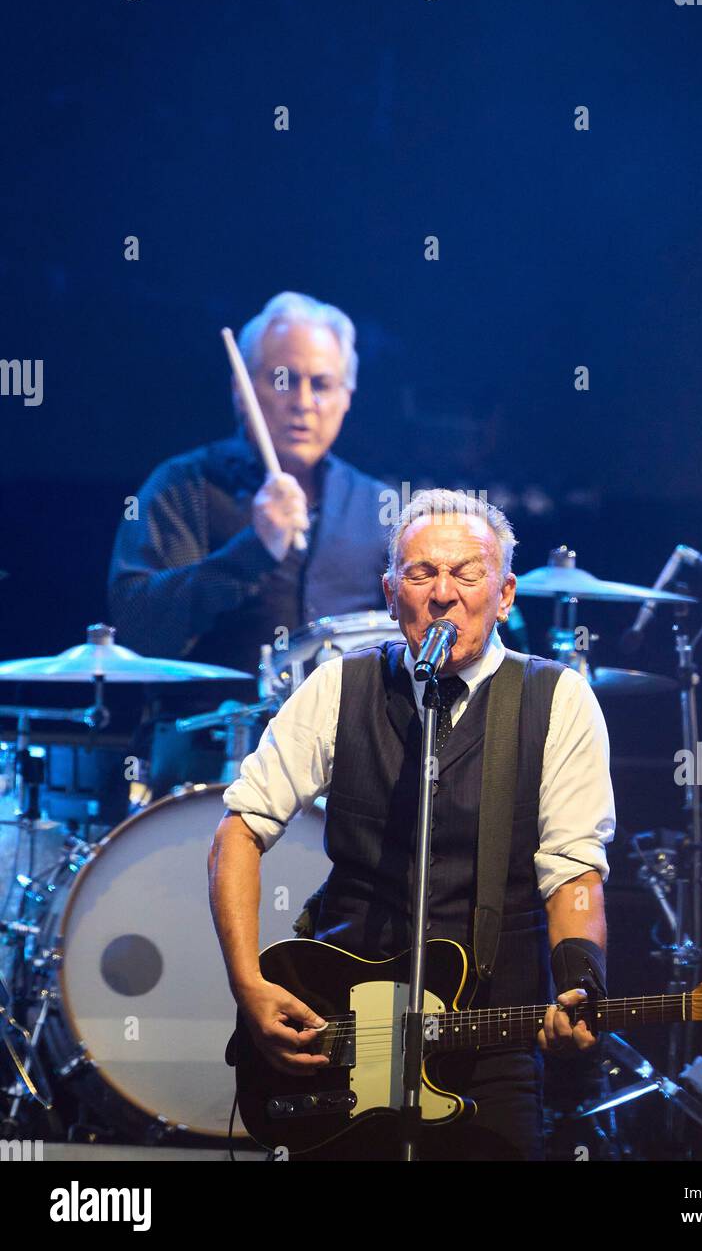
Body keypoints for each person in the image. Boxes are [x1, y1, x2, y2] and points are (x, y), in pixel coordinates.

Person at [208, 489, 616, 1161]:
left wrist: (580, 981)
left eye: (466, 574)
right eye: (422, 574)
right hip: (339, 1034)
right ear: (391, 593)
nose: (443, 595)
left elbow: (573, 871)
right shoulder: (341, 686)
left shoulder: (557, 701)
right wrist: (248, 983)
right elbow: (240, 829)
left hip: (488, 1045)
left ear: (506, 593)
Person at [107, 291, 387, 675]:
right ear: (242, 390)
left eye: (321, 385)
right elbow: (139, 630)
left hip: (341, 735)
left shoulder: (378, 508)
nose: (303, 402)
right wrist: (253, 552)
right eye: (283, 380)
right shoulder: (185, 487)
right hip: (211, 730)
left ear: (346, 397)